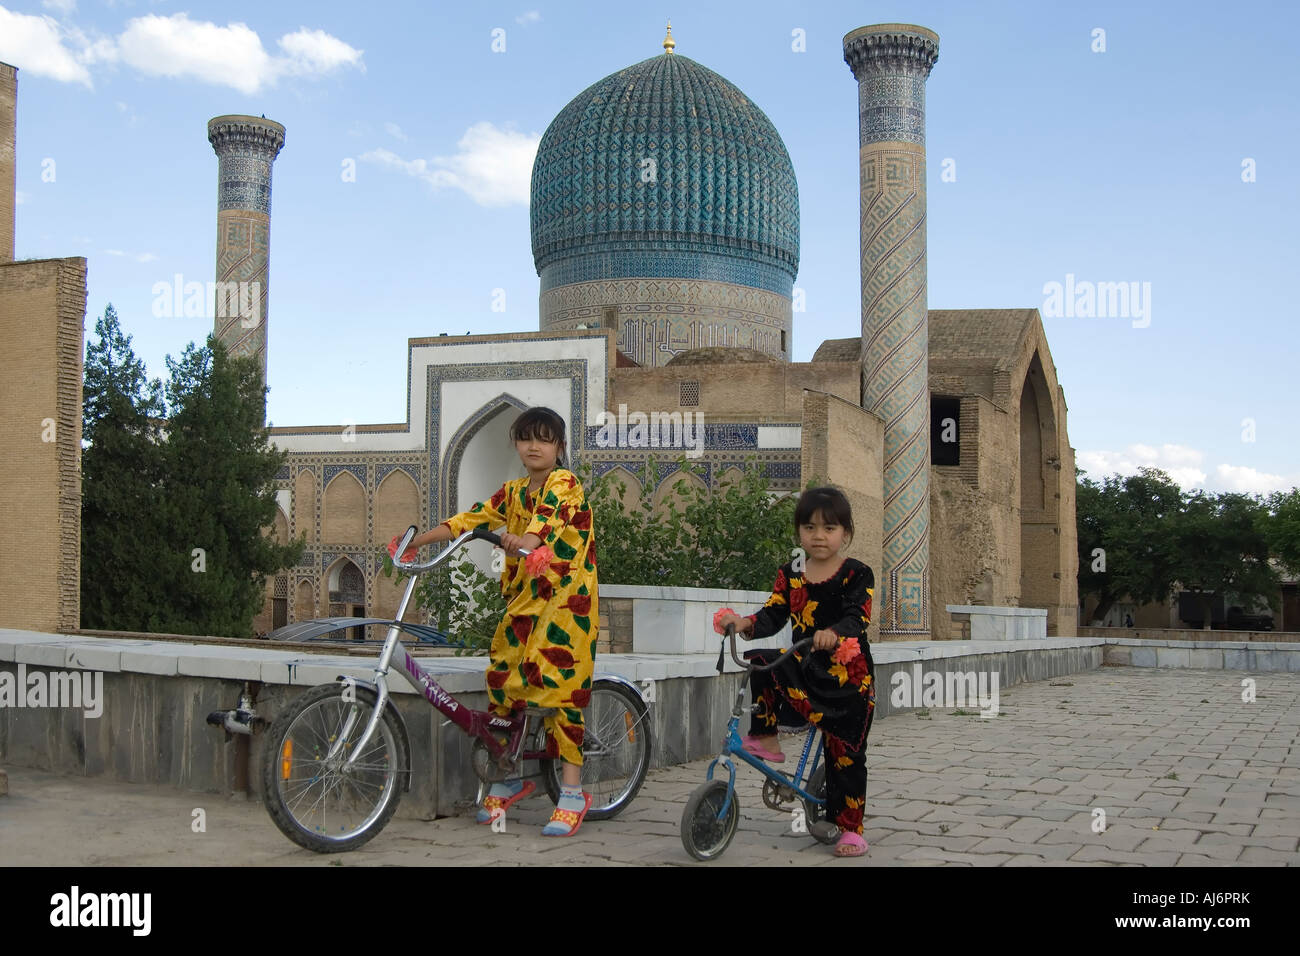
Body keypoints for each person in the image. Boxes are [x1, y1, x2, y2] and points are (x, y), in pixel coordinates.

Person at [388, 407, 598, 837]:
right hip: (526, 599)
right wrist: (415, 543)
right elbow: (471, 520)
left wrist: (526, 540)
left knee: (558, 686)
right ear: (517, 444)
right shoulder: (514, 492)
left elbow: (548, 518)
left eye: (543, 439)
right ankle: (507, 775)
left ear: (559, 447)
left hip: (566, 602)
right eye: (525, 438)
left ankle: (573, 793)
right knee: (503, 678)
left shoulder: (565, 483)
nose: (533, 446)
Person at [715, 486, 875, 858]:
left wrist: (833, 633)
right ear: (798, 532)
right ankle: (765, 735)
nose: (819, 536)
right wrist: (742, 623)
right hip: (805, 664)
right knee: (761, 661)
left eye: (829, 528)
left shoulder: (857, 574)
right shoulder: (792, 573)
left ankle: (850, 829)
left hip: (847, 678)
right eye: (810, 527)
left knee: (845, 753)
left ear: (845, 533)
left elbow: (858, 616)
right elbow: (773, 614)